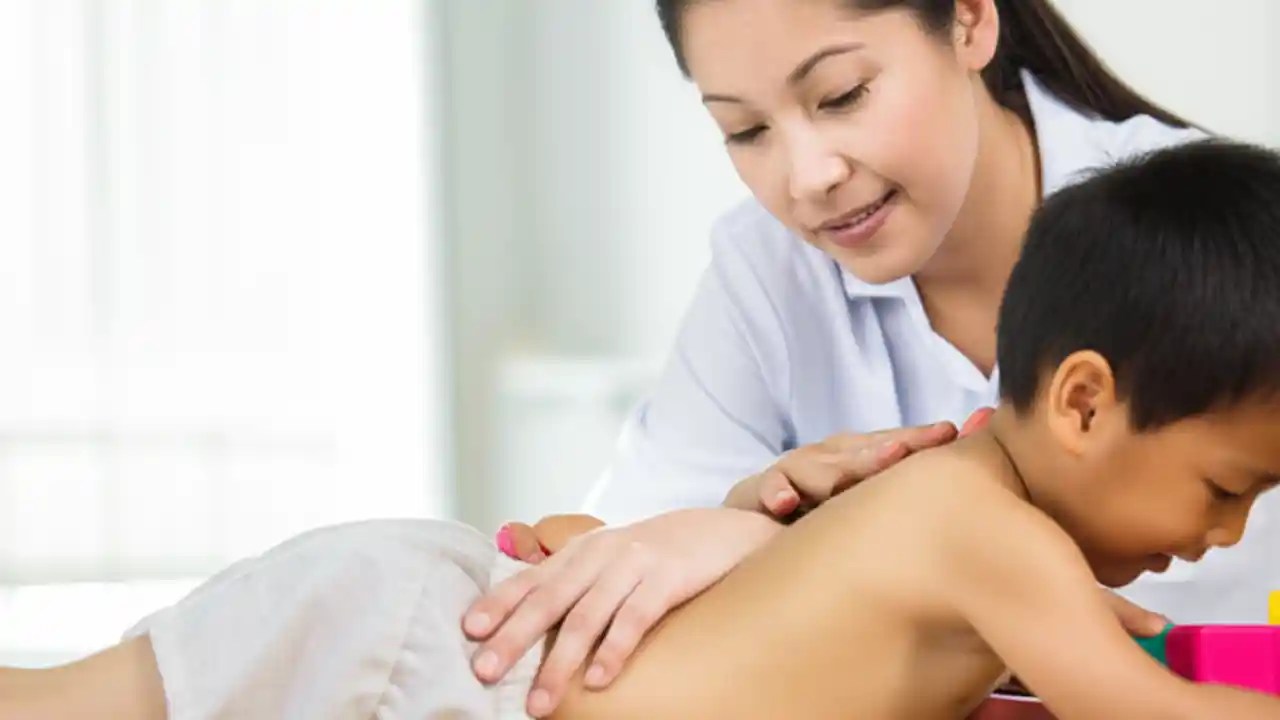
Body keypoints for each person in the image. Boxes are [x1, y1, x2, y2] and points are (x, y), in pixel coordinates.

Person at [7, 139, 1280, 720]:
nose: (1221, 529)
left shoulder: (969, 504)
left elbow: (1166, 651)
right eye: (1224, 487)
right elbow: (1138, 702)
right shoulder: (976, 525)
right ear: (1080, 401)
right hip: (451, 675)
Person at [465, 0, 1277, 712]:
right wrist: (743, 526)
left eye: (843, 95)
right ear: (1081, 402)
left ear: (969, 17)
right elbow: (612, 556)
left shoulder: (1235, 265)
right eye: (744, 131)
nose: (808, 177)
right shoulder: (770, 279)